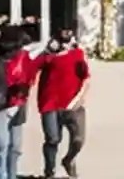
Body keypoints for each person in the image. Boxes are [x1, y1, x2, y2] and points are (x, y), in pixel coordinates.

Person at [0, 25, 43, 179]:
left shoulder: (24, 56)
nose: (19, 50)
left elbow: (33, 72)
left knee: (15, 147)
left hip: (18, 103)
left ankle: (11, 175)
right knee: (2, 145)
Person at [37, 27, 88, 179]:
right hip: (50, 104)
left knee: (78, 140)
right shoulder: (48, 57)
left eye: (68, 40)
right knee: (53, 139)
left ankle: (68, 160)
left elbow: (86, 78)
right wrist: (48, 51)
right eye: (62, 41)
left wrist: (80, 97)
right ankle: (49, 172)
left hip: (73, 104)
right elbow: (34, 65)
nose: (65, 45)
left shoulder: (78, 54)